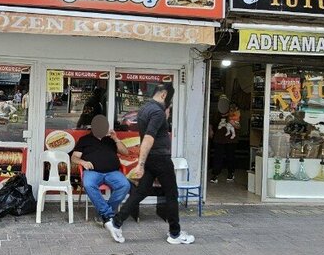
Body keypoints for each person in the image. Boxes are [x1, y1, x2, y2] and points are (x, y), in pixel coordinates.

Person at [109, 83, 194, 245]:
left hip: (151, 158)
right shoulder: (157, 112)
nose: (169, 103)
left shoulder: (145, 109)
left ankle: (116, 222)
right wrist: (140, 164)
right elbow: (148, 137)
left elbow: (153, 132)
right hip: (160, 158)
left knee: (141, 192)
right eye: (169, 99)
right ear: (163, 95)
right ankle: (175, 233)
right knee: (172, 194)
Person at [71, 115, 131, 236]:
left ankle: (103, 214)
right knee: (88, 184)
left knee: (125, 185)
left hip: (113, 172)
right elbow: (74, 158)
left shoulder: (110, 140)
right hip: (93, 172)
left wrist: (116, 139)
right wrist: (83, 162)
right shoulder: (85, 140)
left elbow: (125, 152)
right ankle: (108, 215)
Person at [209, 95, 240, 183]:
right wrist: (210, 130)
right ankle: (215, 175)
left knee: (230, 156)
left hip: (230, 139)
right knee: (217, 157)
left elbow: (238, 126)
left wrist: (232, 122)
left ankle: (231, 173)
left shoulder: (234, 114)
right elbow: (211, 123)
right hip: (219, 139)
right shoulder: (216, 114)